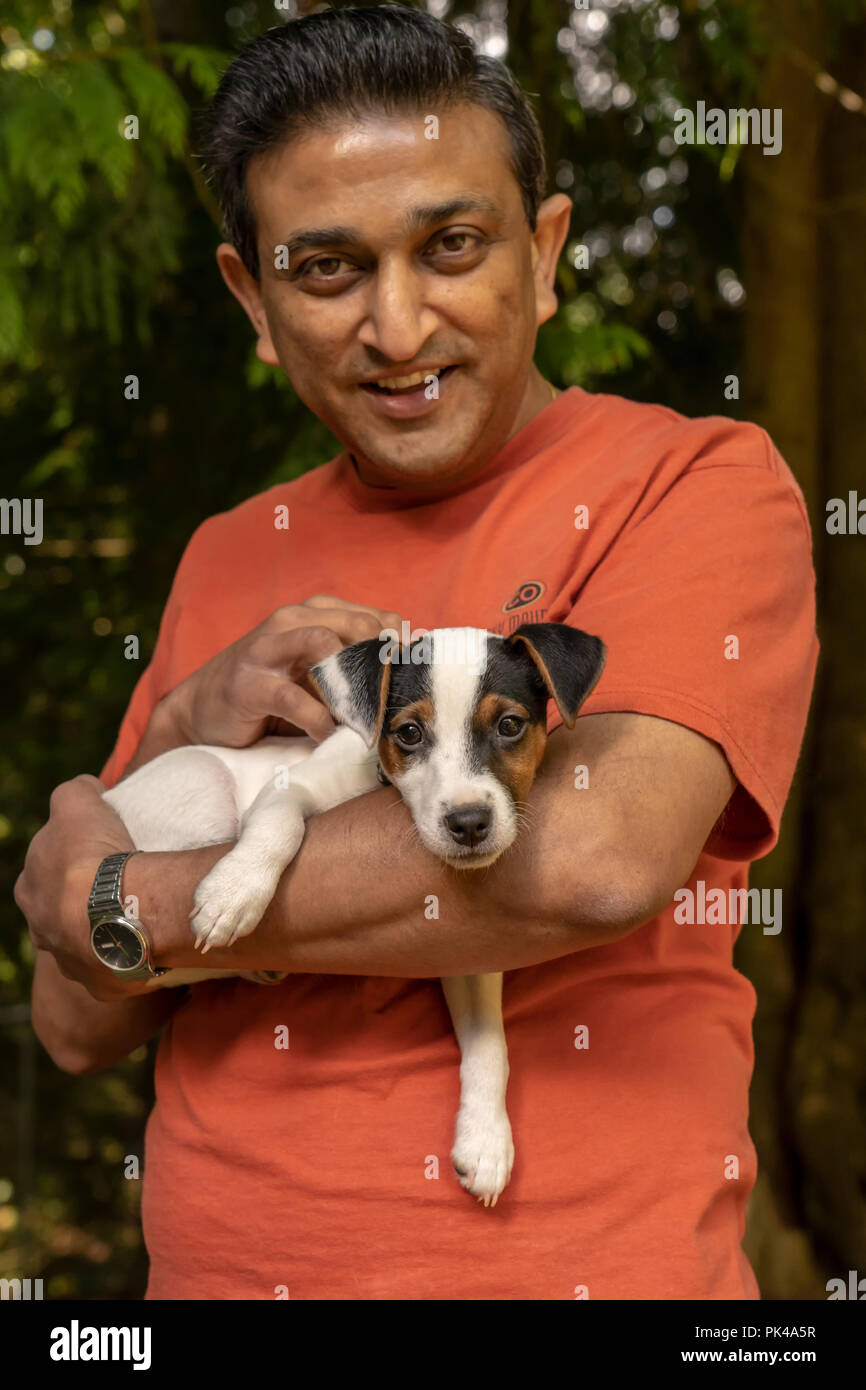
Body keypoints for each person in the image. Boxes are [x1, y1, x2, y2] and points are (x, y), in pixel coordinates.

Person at [15, 6, 817, 1300]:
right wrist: (170, 743)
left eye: (450, 245)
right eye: (326, 270)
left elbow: (586, 853)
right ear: (254, 300)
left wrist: (139, 901)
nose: (398, 328)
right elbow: (74, 1019)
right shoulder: (230, 551)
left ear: (544, 253)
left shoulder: (692, 484)